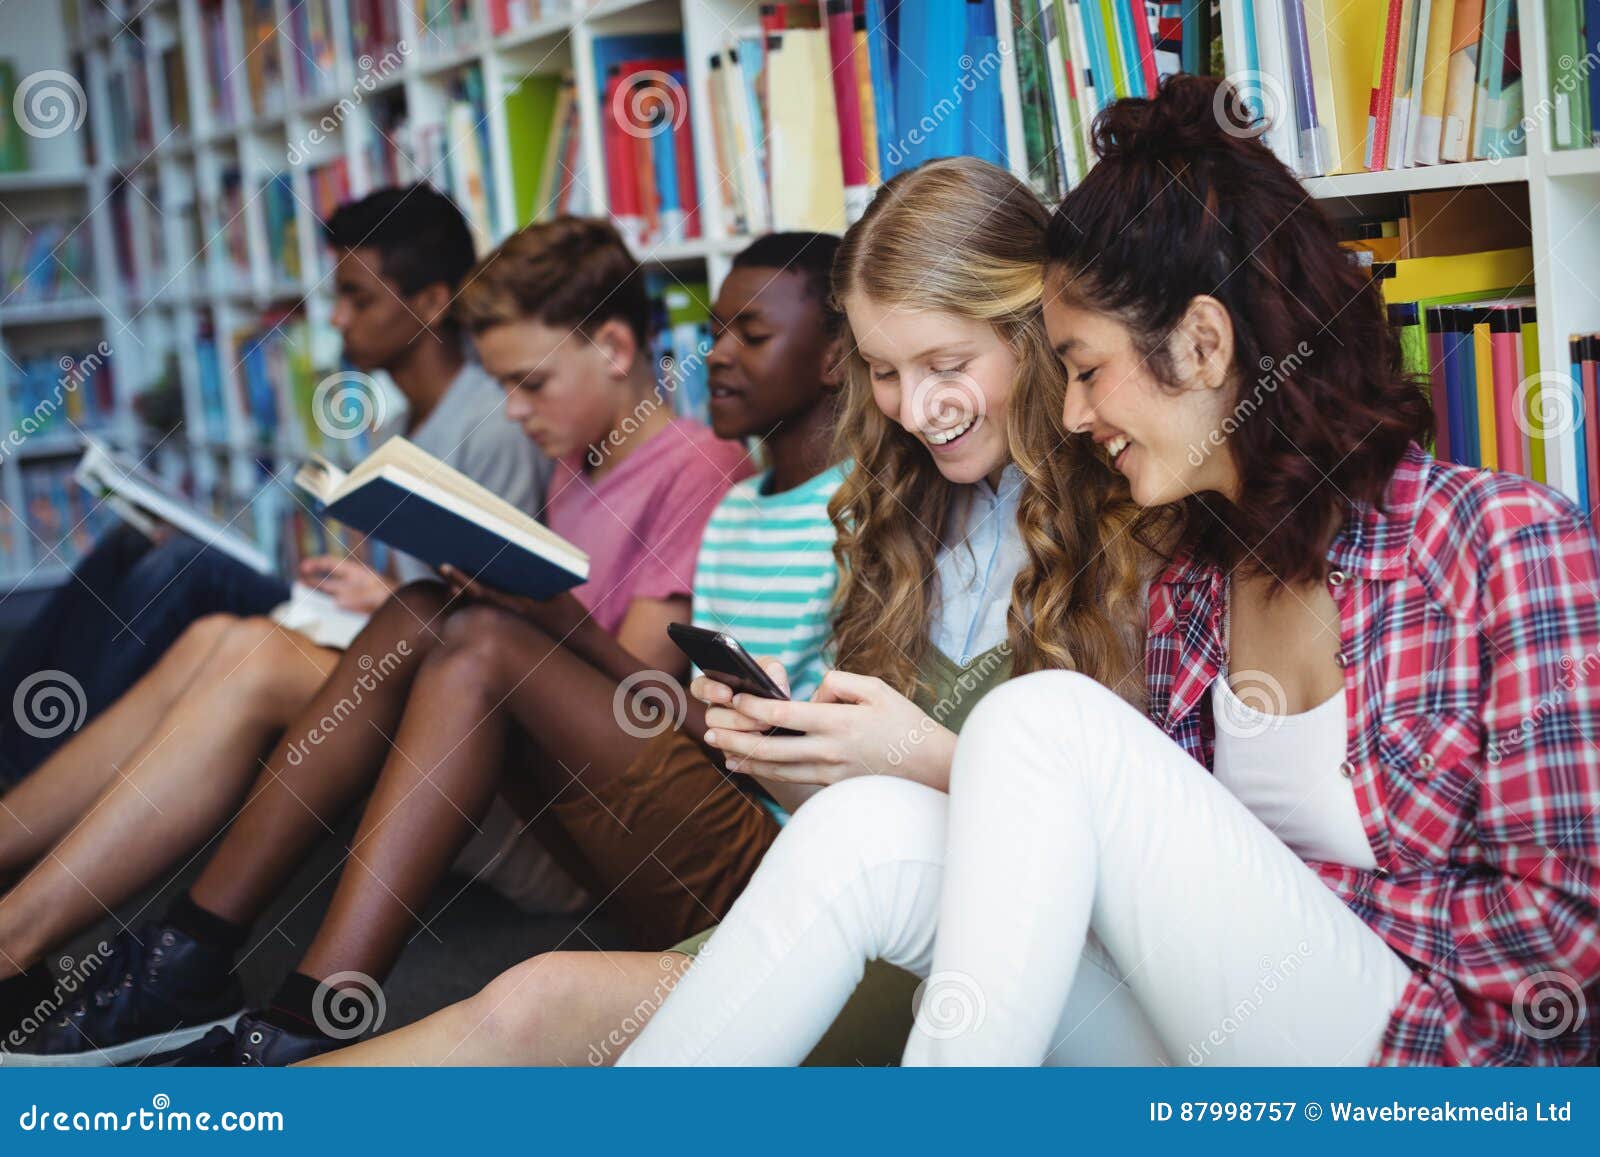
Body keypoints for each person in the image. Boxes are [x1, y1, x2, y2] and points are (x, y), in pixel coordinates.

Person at [617, 75, 1600, 1068]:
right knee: (865, 831)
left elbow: (1562, 942)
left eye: (1085, 369)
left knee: (1034, 717)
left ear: (1205, 343)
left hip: (1435, 1069)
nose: (1076, 414)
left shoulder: (1501, 540)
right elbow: (1159, 880)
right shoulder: (1190, 590)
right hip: (1212, 1051)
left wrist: (1249, 881)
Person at [305, 157, 1160, 1068]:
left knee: (538, 1005)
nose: (916, 408)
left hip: (983, 961)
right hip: (836, 900)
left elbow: (1114, 837)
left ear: (1033, 336)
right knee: (529, 997)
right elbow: (850, 815)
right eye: (881, 371)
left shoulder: (1124, 524)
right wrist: (790, 752)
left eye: (946, 365)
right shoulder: (907, 514)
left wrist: (898, 756)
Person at [2, 215, 752, 1067]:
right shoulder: (578, 459)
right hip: (503, 759)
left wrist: (526, 609)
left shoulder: (692, 469)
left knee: (323, 644)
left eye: (530, 383)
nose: (512, 408)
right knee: (391, 616)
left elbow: (639, 696)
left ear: (616, 349)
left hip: (581, 815)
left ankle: (169, 960)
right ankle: (189, 958)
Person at [0, 186, 548, 1056]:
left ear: (434, 302)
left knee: (240, 643)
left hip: (452, 709)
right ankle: (18, 906)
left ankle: (25, 937)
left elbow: (492, 606)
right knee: (213, 635)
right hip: (394, 662)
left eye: (356, 296)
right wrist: (372, 592)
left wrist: (385, 601)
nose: (333, 319)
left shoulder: (494, 423)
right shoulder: (409, 418)